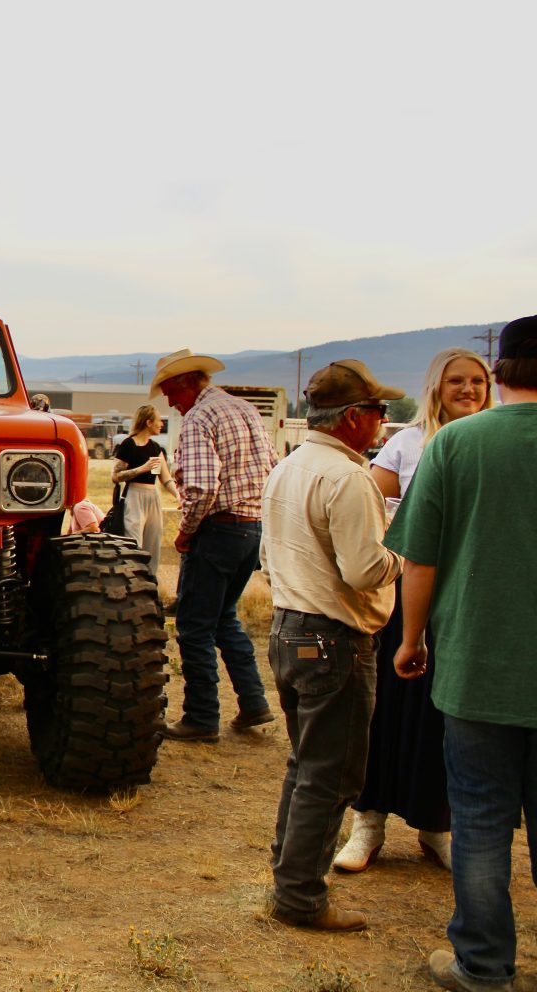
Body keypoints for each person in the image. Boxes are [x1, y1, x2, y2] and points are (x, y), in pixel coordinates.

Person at [388, 316, 537, 992]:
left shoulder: (457, 443)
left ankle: (482, 966)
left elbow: (419, 559)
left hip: (477, 665)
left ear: (499, 374)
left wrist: (412, 640)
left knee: (478, 819)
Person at [334, 348, 493, 874]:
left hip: (472, 599)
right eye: (456, 381)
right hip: (408, 593)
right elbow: (368, 503)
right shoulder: (408, 442)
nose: (467, 389)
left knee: (448, 717)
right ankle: (369, 822)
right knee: (386, 705)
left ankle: (435, 825)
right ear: (436, 387)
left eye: (476, 380)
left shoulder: (495, 439)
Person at [260, 359, 405, 932]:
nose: (382, 421)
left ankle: (288, 875)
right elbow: (366, 569)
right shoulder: (348, 478)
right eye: (377, 412)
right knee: (333, 772)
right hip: (335, 635)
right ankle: (299, 897)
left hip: (290, 627)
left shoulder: (291, 466)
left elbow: (269, 556)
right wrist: (407, 556)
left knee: (307, 763)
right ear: (351, 418)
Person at [152, 348, 278, 741]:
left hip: (218, 530)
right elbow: (273, 466)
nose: (171, 402)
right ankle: (254, 702)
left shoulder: (200, 417)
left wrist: (186, 530)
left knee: (193, 627)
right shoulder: (246, 410)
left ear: (189, 382)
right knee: (225, 619)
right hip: (250, 528)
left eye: (172, 391)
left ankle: (202, 717)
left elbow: (204, 486)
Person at [112, 404, 180, 579]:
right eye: (158, 421)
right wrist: (142, 469)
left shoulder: (156, 448)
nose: (161, 424)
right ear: (148, 422)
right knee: (134, 542)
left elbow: (165, 478)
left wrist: (179, 495)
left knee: (153, 542)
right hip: (134, 495)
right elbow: (116, 476)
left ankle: (149, 582)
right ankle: (132, 580)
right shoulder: (129, 445)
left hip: (152, 497)